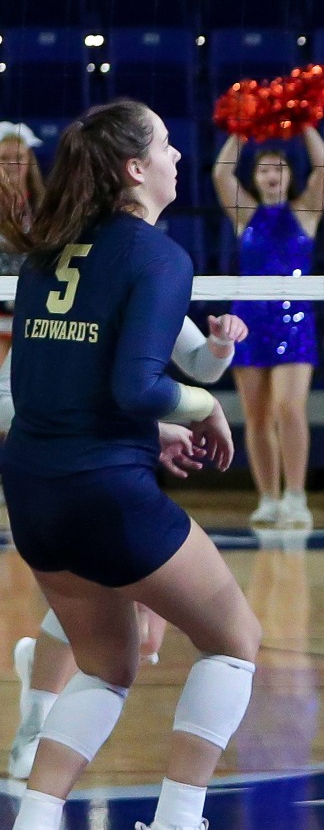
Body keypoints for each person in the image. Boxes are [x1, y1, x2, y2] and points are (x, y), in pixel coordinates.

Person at [0, 100, 262, 830]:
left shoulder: (48, 249)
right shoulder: (159, 256)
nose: (180, 157)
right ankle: (180, 817)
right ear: (134, 168)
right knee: (234, 640)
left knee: (108, 664)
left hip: (32, 488)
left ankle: (38, 815)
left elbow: (49, 384)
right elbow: (134, 385)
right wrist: (201, 405)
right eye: (168, 145)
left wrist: (145, 438)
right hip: (102, 489)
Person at [5, 310, 245, 782]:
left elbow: (201, 365)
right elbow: (8, 405)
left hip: (117, 472)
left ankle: (43, 688)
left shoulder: (151, 274)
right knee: (122, 630)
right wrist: (145, 428)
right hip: (57, 472)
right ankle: (34, 737)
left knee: (137, 634)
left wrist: (220, 344)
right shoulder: (61, 292)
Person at [212, 125, 324, 531]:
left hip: (295, 322)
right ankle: (267, 497)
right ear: (256, 177)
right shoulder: (245, 213)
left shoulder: (305, 212)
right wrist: (239, 131)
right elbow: (220, 174)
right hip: (249, 320)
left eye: (278, 168)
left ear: (288, 175)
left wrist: (304, 123)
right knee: (257, 416)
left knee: (288, 407)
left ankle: (296, 496)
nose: (270, 175)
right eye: (264, 169)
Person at [0, 121, 47, 373]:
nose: (12, 164)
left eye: (18, 157)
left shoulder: (47, 207)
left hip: (35, 310)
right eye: (4, 158)